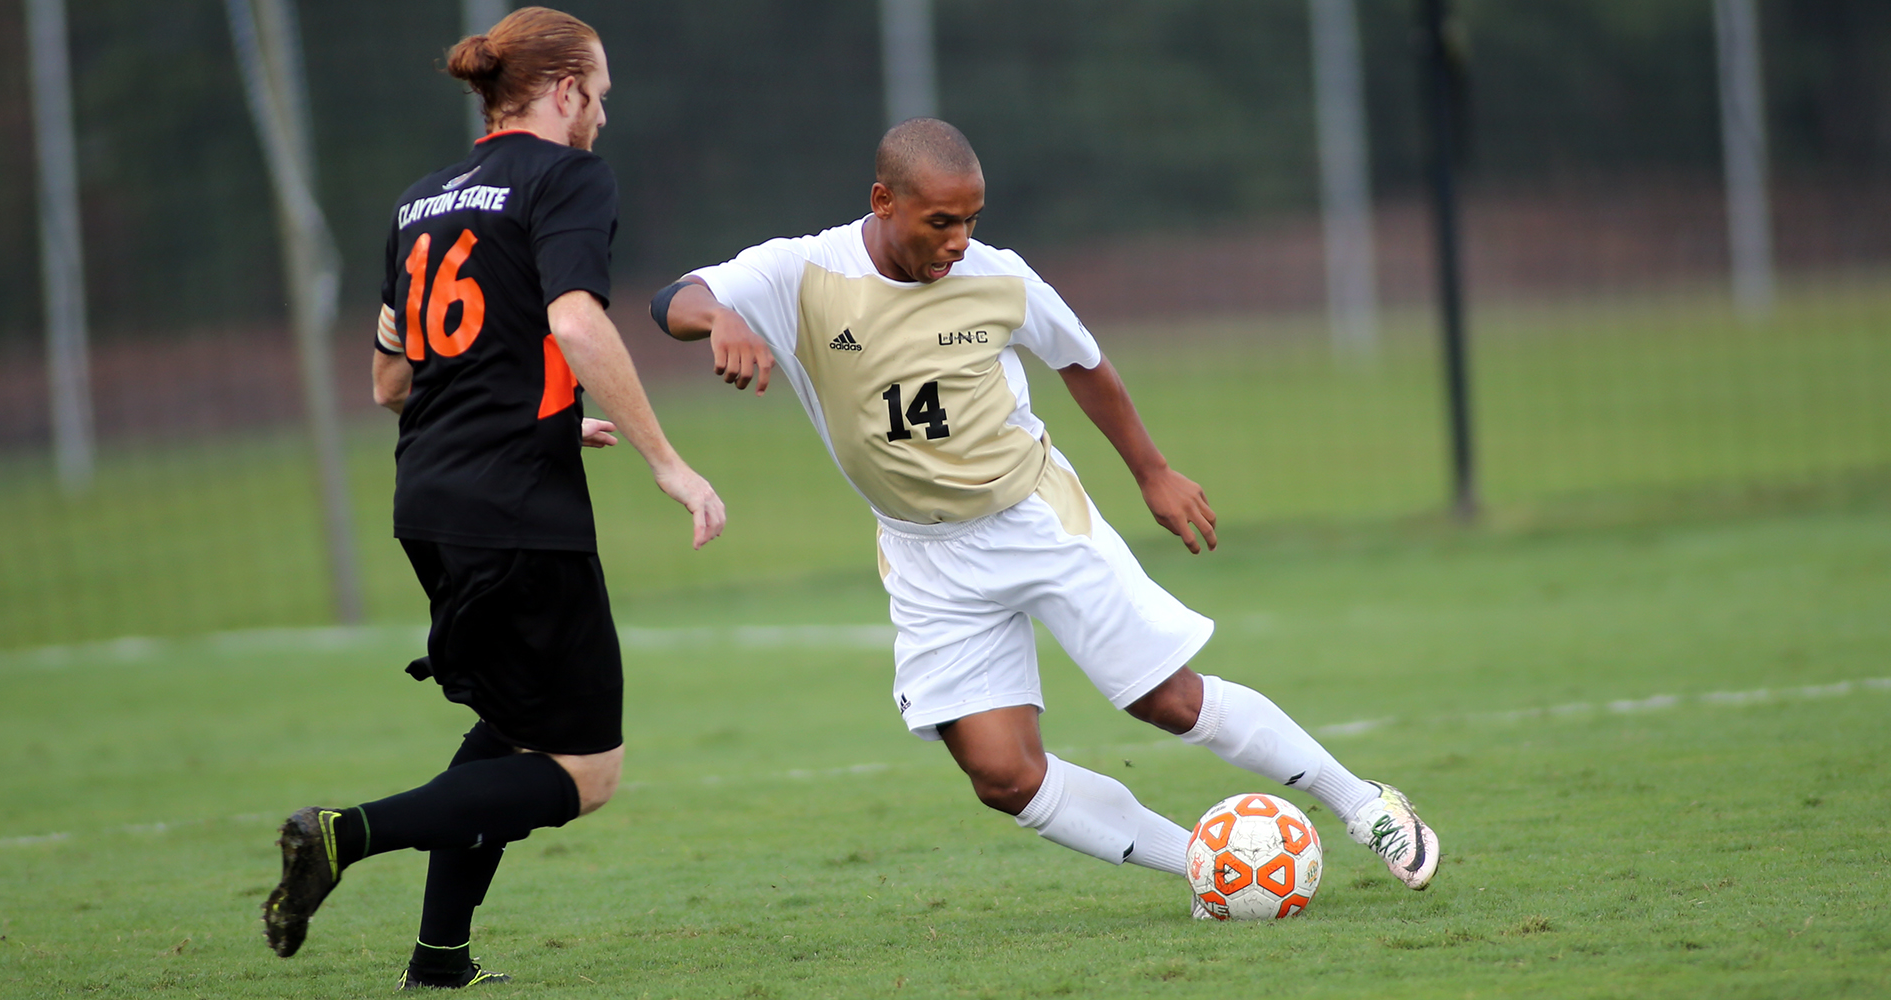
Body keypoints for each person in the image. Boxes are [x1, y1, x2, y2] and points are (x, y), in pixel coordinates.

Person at [650, 118, 1436, 916]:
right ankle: (1207, 870)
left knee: (1167, 700)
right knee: (1002, 774)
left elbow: (1084, 363)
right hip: (925, 556)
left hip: (1034, 518)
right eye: (941, 222)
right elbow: (675, 298)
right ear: (884, 201)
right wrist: (721, 318)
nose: (960, 241)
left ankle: (1364, 802)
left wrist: (1152, 473)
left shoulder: (999, 279)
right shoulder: (803, 272)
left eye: (972, 220)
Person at [260, 8, 726, 987]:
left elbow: (392, 382)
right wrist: (664, 459)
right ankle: (345, 835)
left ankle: (440, 961)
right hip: (518, 514)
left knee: (516, 732)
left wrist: (546, 416)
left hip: (429, 500)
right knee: (583, 772)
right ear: (562, 93)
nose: (601, 115)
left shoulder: (421, 199)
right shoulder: (568, 177)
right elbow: (574, 321)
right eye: (596, 96)